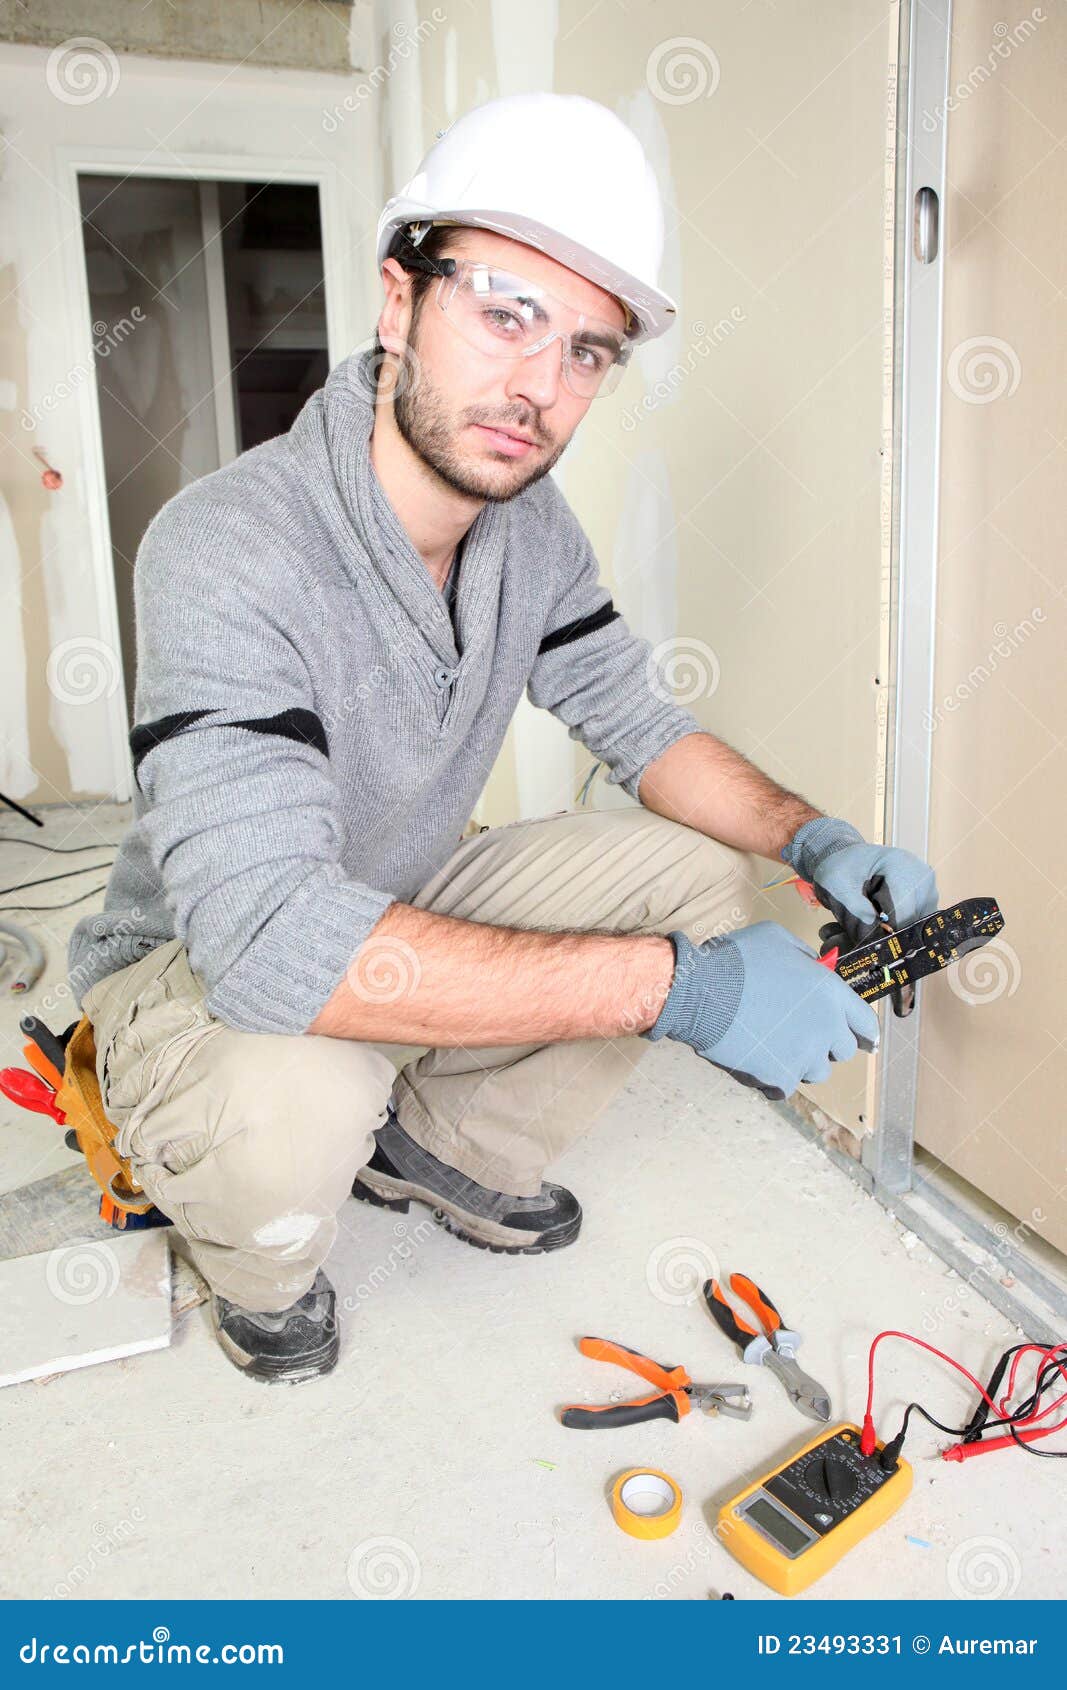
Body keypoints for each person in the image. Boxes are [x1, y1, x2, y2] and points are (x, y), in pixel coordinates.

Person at [70, 93, 937, 1384]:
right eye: (506, 312)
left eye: (588, 349)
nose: (541, 386)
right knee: (297, 1101)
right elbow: (268, 947)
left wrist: (812, 836)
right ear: (395, 299)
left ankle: (440, 1144)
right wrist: (678, 990)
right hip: (201, 963)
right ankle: (263, 1267)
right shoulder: (225, 547)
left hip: (396, 889)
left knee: (704, 874)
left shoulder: (527, 530)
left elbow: (639, 723)